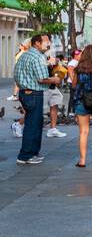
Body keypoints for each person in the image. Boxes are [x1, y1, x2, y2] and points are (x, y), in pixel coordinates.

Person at [13, 33, 59, 164]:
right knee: (33, 125)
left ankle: (32, 153)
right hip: (33, 93)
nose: (48, 43)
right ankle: (26, 155)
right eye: (46, 41)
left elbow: (17, 74)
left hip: (25, 92)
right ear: (37, 43)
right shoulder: (37, 57)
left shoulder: (26, 54)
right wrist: (55, 79)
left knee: (33, 123)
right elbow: (42, 79)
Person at [46, 51, 68, 138]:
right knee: (35, 110)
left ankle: (52, 129)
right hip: (43, 86)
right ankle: (19, 124)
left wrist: (54, 63)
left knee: (55, 104)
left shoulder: (46, 54)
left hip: (52, 86)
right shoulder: (37, 56)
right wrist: (49, 63)